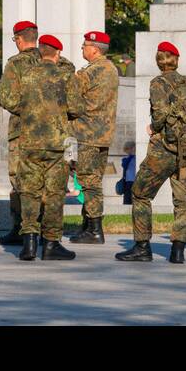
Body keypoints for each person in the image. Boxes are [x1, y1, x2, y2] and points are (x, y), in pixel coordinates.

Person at [117, 42, 186, 264]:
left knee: (140, 193)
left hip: (163, 151)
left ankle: (142, 247)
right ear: (176, 60)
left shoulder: (157, 83)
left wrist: (154, 127)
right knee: (183, 201)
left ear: (158, 60)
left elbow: (159, 114)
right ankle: (178, 250)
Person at [0, 34, 76, 261]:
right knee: (54, 193)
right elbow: (77, 107)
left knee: (29, 191)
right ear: (57, 53)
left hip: (29, 139)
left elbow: (6, 97)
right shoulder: (66, 74)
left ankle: (29, 243)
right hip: (57, 142)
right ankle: (51, 243)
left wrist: (29, 109)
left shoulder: (25, 73)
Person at [67, 30, 119, 244]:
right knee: (94, 179)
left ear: (95, 49)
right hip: (104, 134)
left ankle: (94, 229)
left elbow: (73, 102)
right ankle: (89, 225)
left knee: (89, 182)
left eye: (85, 45)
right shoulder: (112, 69)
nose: (82, 48)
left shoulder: (88, 73)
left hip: (87, 133)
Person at [0, 20, 40, 244]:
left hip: (22, 131)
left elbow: (6, 97)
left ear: (19, 39)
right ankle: (46, 230)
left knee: (20, 180)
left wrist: (29, 109)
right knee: (45, 180)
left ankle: (22, 228)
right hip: (51, 133)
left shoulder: (16, 63)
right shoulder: (53, 61)